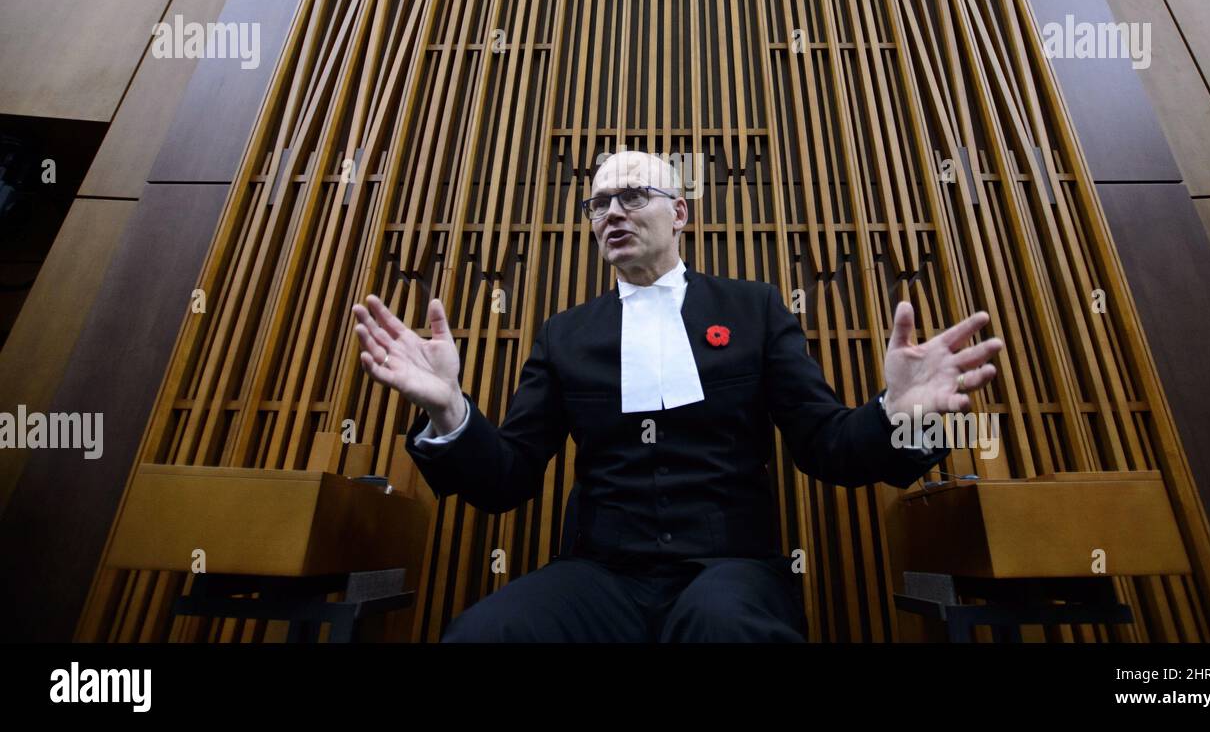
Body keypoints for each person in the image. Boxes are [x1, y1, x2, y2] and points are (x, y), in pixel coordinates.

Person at [351, 150, 1003, 642]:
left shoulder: (754, 309)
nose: (611, 212)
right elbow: (508, 478)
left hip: (731, 568)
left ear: (680, 213)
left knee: (725, 630)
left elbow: (828, 447)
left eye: (632, 196)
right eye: (598, 203)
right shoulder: (565, 334)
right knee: (485, 635)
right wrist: (449, 410)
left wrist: (894, 414)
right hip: (599, 574)